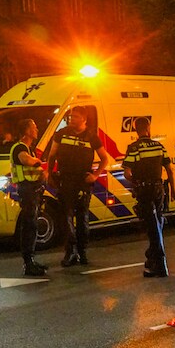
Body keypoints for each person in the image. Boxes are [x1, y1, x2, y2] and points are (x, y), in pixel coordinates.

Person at [45, 105, 111, 267]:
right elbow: (52, 156)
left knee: (82, 219)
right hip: (65, 181)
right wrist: (50, 175)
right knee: (66, 218)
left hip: (82, 183)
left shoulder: (91, 137)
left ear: (84, 119)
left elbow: (104, 159)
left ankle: (82, 251)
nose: (71, 119)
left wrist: (95, 175)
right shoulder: (62, 134)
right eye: (70, 116)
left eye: (75, 116)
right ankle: (70, 252)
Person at [122, 117, 174, 277]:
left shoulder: (134, 148)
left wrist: (136, 181)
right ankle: (152, 259)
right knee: (157, 224)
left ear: (136, 130)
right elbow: (169, 170)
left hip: (144, 190)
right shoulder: (159, 146)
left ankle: (160, 265)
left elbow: (127, 173)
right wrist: (174, 189)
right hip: (159, 189)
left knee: (153, 228)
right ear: (148, 127)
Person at [10, 118, 47, 276]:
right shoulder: (19, 148)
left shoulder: (29, 148)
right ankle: (28, 262)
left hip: (32, 190)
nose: (37, 130)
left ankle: (31, 260)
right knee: (29, 225)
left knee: (32, 225)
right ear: (26, 131)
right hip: (26, 190)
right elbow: (26, 160)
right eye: (34, 127)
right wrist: (39, 162)